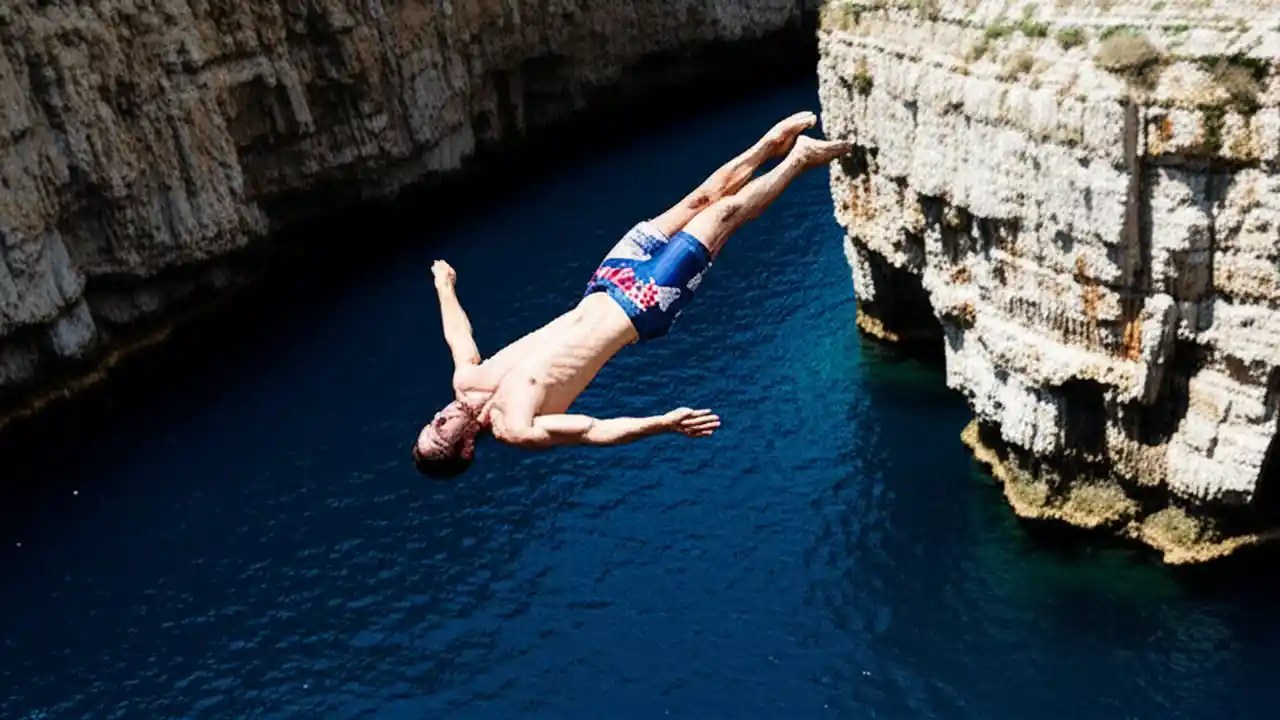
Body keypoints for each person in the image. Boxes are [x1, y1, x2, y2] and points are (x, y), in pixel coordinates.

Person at [412, 112, 852, 478]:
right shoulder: (517, 426)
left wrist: (443, 287)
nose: (438, 417)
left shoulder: (466, 382)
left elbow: (458, 337)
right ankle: (798, 160)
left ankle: (770, 144)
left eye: (431, 422)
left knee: (701, 199)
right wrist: (660, 424)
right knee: (725, 215)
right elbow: (591, 431)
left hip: (604, 280)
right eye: (440, 431)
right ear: (466, 449)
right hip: (640, 308)